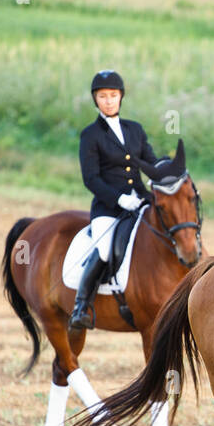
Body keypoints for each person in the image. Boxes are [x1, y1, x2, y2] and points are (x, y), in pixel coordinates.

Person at [70, 69, 161, 330]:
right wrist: (120, 199)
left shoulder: (135, 130)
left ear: (121, 97)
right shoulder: (91, 135)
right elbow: (91, 178)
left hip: (141, 203)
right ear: (95, 100)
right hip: (108, 208)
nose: (108, 101)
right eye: (102, 96)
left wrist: (161, 177)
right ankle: (81, 305)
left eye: (113, 95)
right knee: (105, 247)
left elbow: (150, 163)